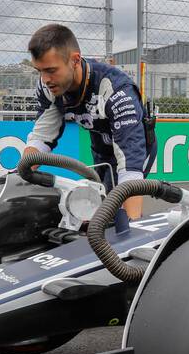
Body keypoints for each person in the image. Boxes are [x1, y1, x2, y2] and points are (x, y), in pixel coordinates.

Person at [18, 24, 156, 220]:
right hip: (101, 147)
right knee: (97, 207)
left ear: (75, 60)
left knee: (119, 213)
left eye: (51, 70)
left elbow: (130, 165)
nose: (45, 79)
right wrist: (18, 176)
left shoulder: (116, 90)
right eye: (39, 71)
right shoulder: (48, 85)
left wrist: (132, 230)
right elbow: (41, 137)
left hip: (132, 147)